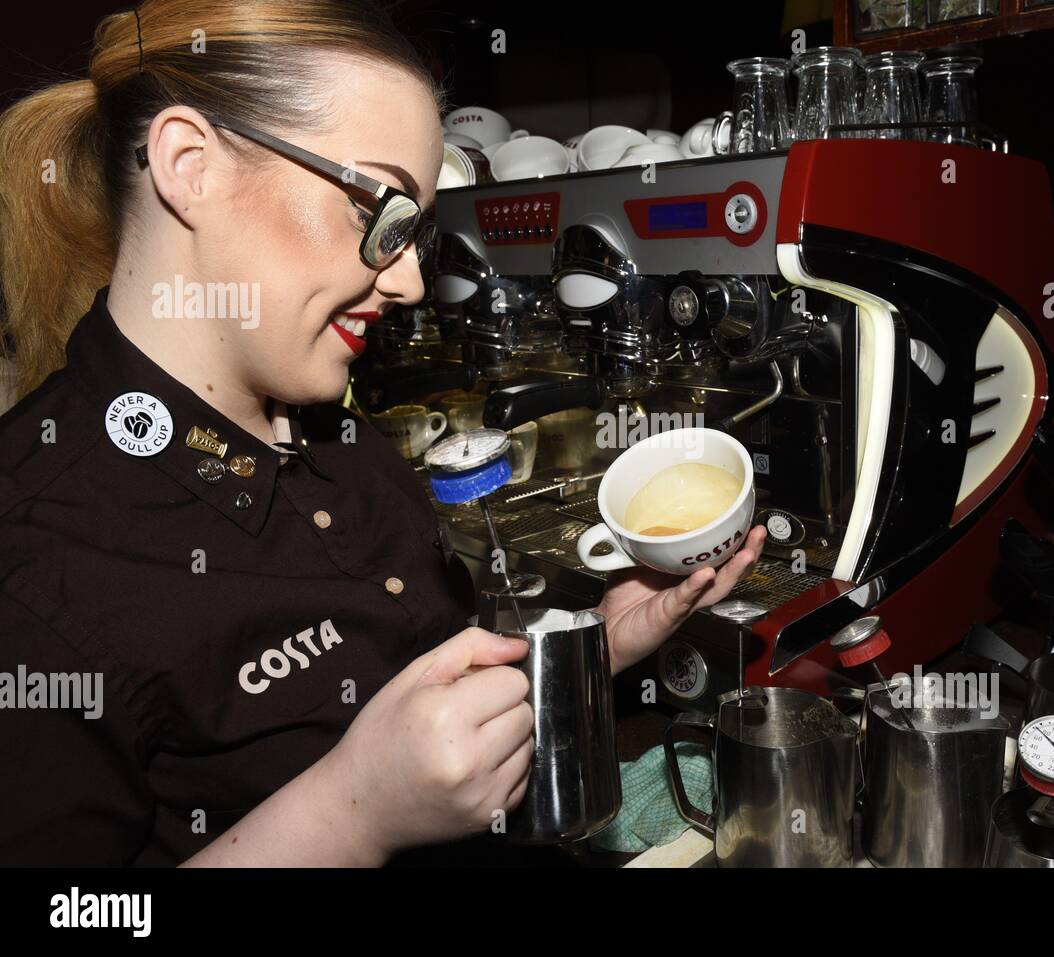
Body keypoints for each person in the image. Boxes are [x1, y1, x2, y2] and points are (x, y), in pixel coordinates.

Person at [0, 0, 764, 866]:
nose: (405, 280)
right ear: (190, 166)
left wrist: (594, 646)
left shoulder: (343, 440)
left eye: (418, 232)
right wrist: (349, 814)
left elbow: (432, 717)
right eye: (384, 213)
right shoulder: (33, 561)